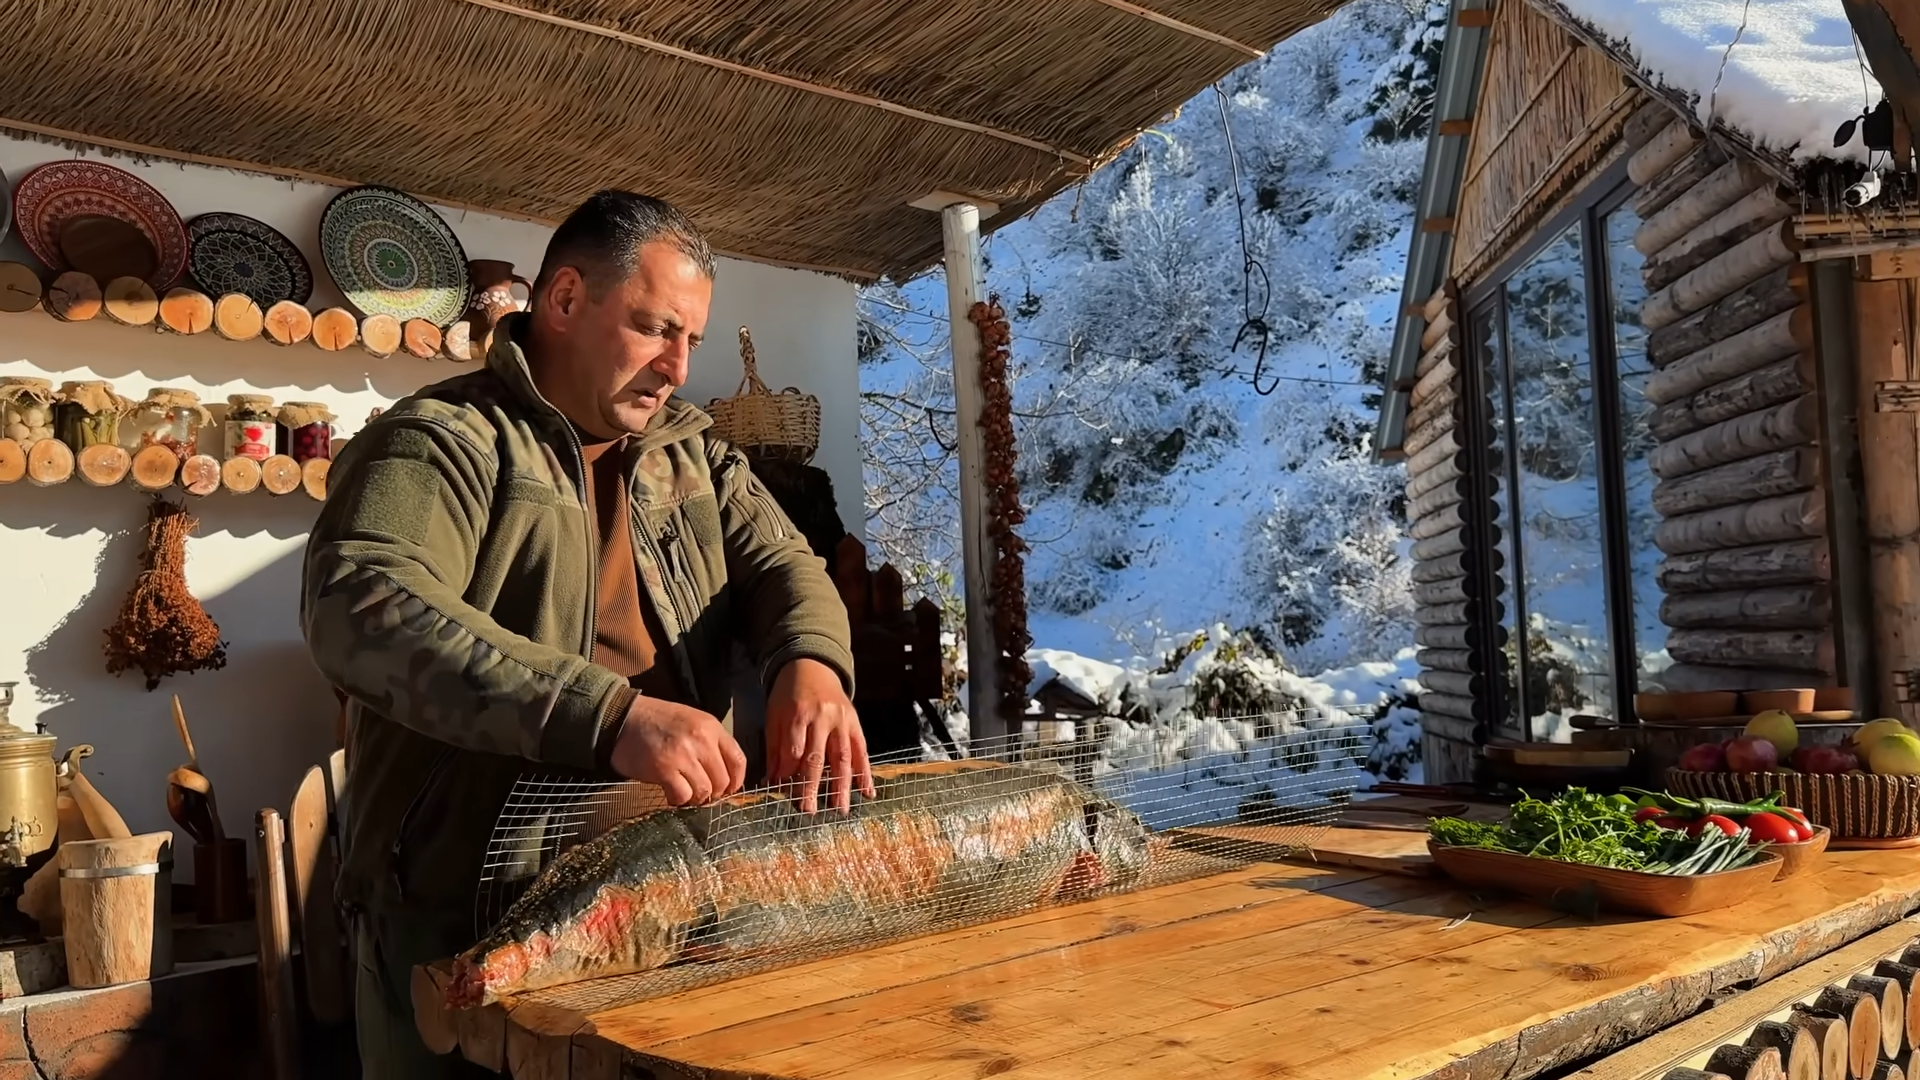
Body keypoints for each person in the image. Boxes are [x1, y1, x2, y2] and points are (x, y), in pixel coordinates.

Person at [299, 190, 872, 1077]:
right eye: (655, 330)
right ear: (565, 301)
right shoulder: (445, 441)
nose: (678, 368)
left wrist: (813, 663)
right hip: (465, 913)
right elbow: (362, 602)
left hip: (668, 896)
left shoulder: (699, 457)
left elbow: (790, 571)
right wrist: (608, 716)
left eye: (692, 341)